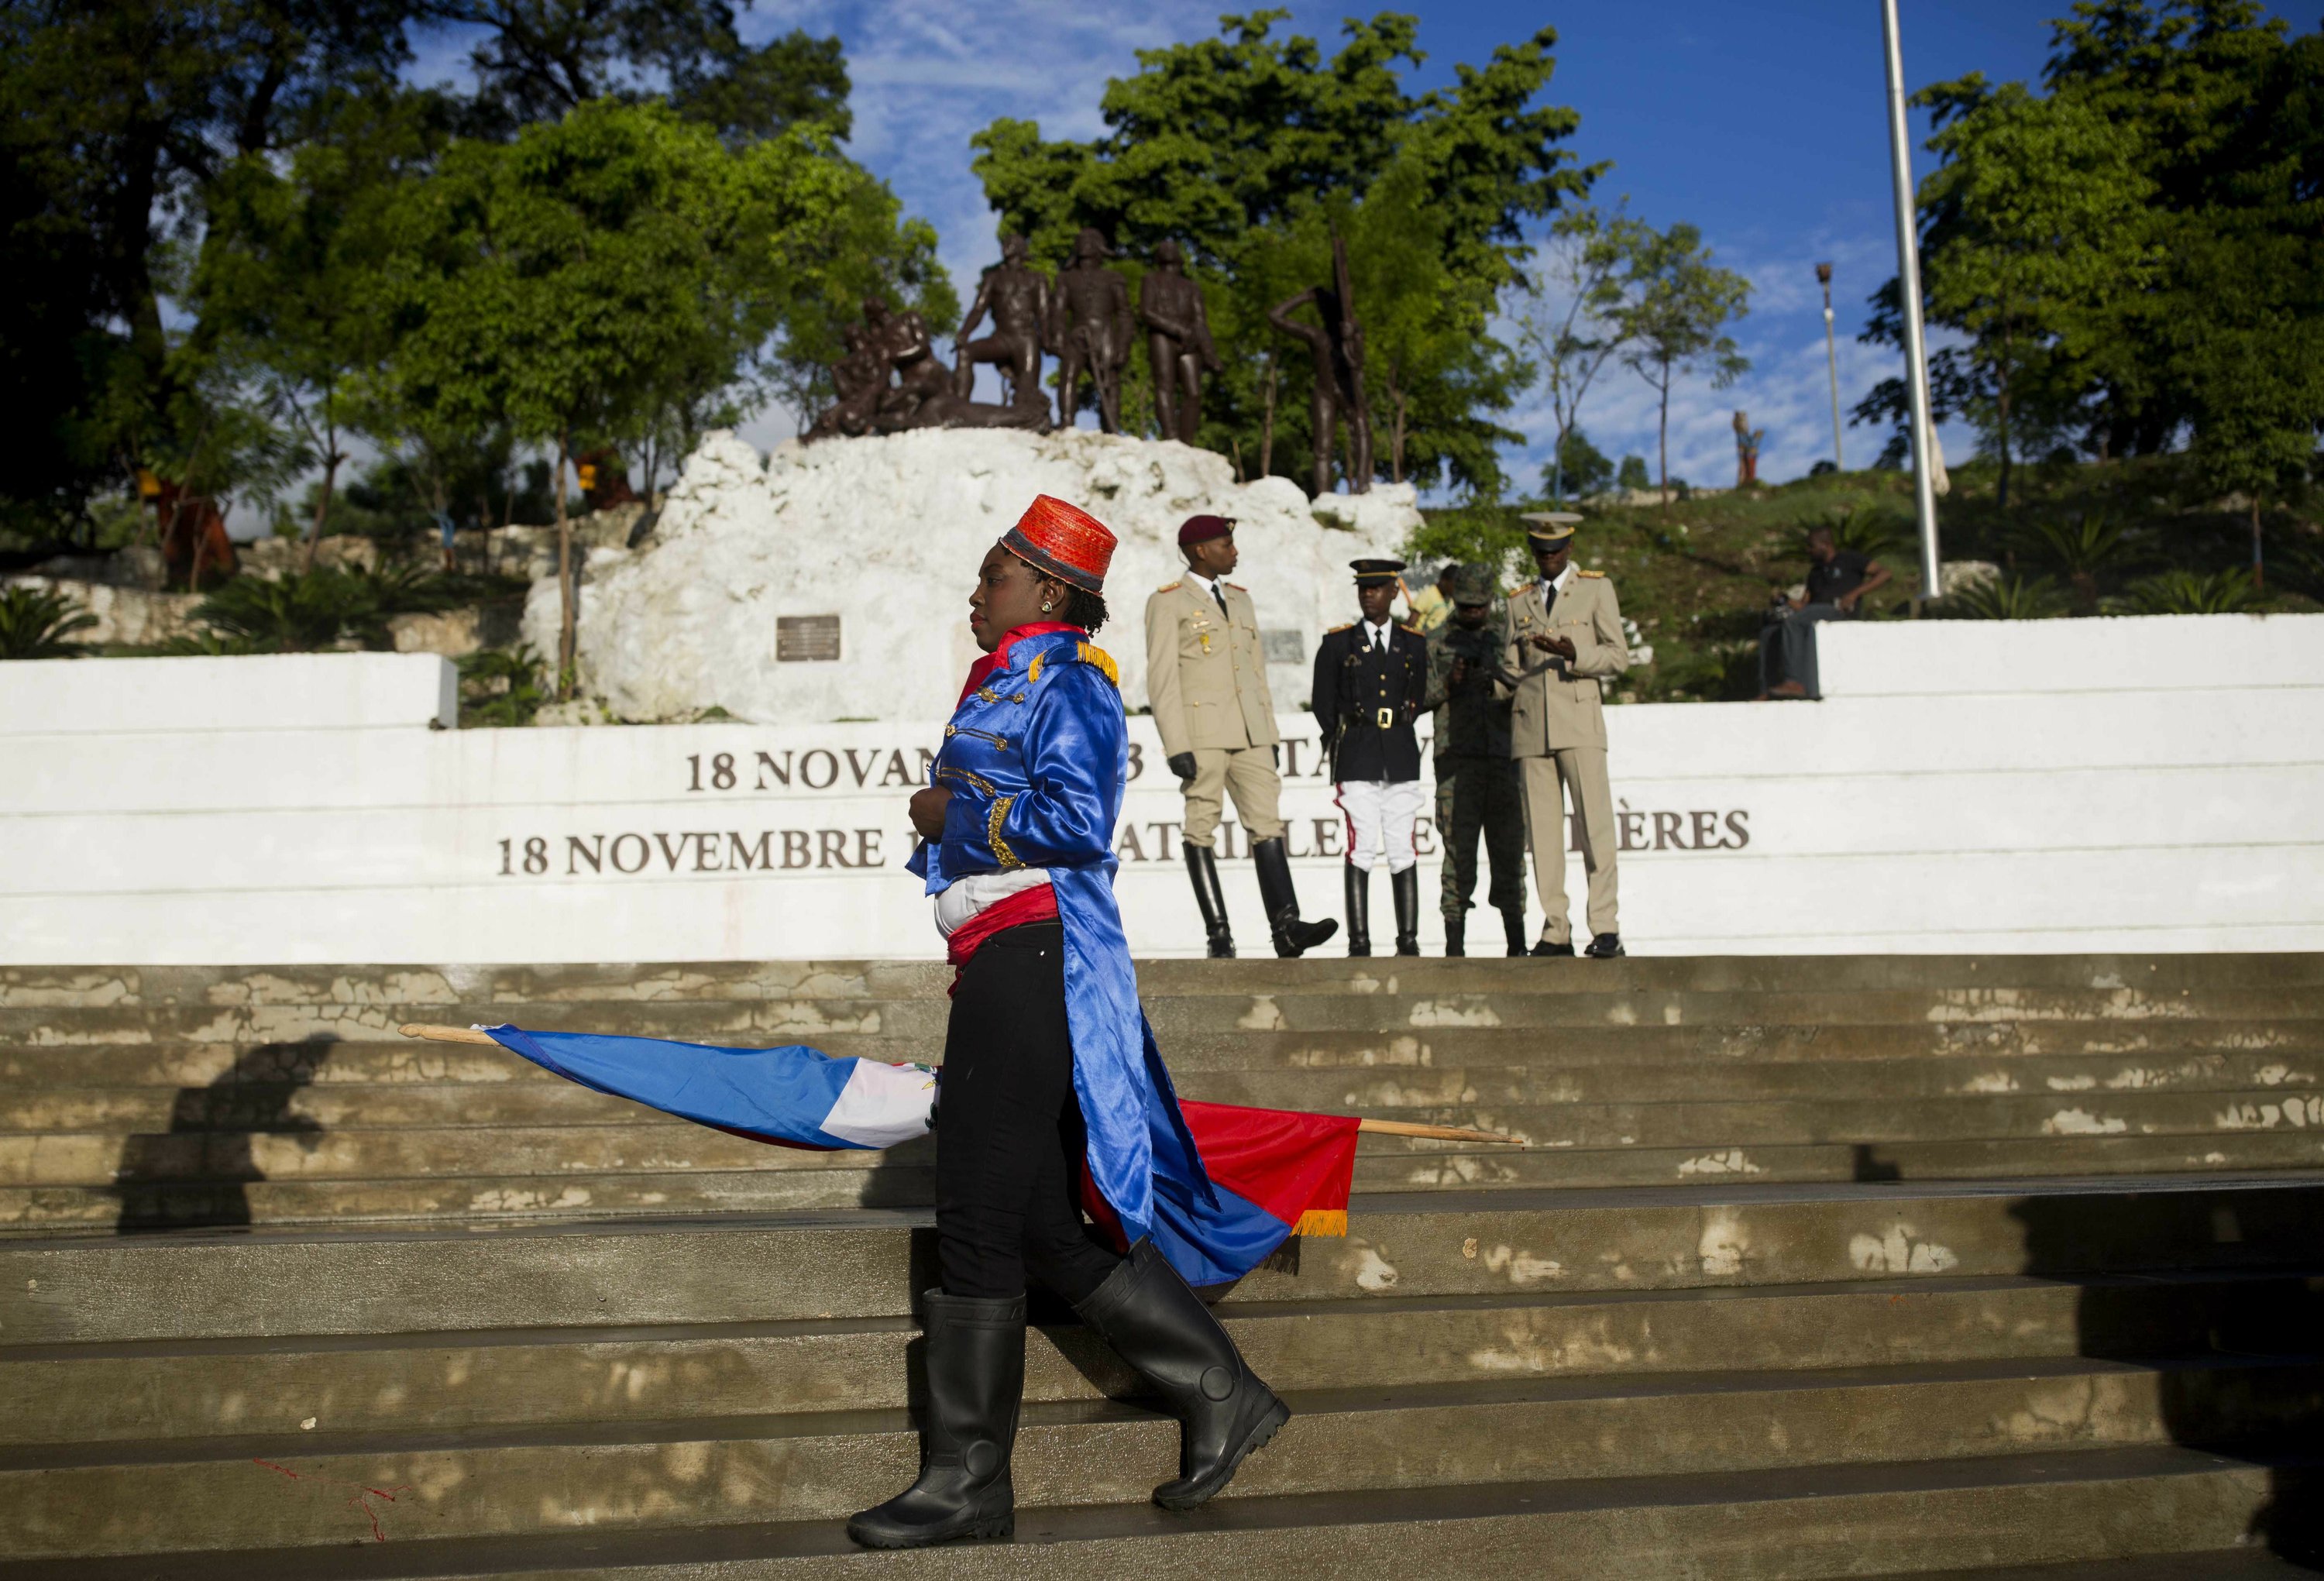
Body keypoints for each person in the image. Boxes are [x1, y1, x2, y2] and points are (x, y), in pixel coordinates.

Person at [850, 496, 1287, 1550]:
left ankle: (966, 1481)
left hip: (1039, 948)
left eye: (994, 575)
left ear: (1048, 589)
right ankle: (1224, 1390)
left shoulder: (1072, 683)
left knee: (977, 1207)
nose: (975, 590)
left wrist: (956, 815)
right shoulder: (1000, 678)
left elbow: (1078, 825)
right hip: (997, 949)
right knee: (1045, 1217)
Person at [1145, 514, 1336, 959]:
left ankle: (1286, 927)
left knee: (1267, 825)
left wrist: (1268, 735)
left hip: (1251, 734)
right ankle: (1219, 935)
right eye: (1226, 545)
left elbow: (1255, 674)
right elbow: (1162, 678)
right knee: (1201, 829)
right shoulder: (1168, 602)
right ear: (1200, 551)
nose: (1235, 552)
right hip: (1202, 733)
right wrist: (1177, 744)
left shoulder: (1241, 601)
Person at [1503, 512, 1630, 958]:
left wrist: (1576, 653)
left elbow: (1618, 656)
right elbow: (1511, 669)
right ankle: (1556, 929)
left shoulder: (1596, 588)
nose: (1549, 558)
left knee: (1595, 827)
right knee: (1543, 836)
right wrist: (1488, 680)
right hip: (1531, 726)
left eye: (1556, 551)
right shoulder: (1518, 601)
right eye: (1541, 552)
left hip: (1579, 721)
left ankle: (1605, 926)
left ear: (1570, 549)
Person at [1312, 559, 1429, 956]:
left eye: (1377, 588)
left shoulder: (1414, 643)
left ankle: (1408, 941)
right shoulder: (1338, 643)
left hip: (1399, 753)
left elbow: (1420, 696)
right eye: (1363, 588)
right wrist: (1344, 737)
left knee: (1402, 847)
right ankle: (1359, 942)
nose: (1368, 595)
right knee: (1361, 844)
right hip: (1358, 755)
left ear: (1394, 592)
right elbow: (1322, 703)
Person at [1423, 565, 1528, 957]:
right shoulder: (1435, 642)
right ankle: (1455, 949)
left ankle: (1517, 945)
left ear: (1489, 602)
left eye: (1478, 607)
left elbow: (1529, 689)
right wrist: (1447, 685)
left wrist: (1500, 681)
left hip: (1504, 761)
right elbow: (1415, 699)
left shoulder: (1508, 639)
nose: (1472, 614)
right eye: (1465, 606)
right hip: (1457, 764)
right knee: (1458, 857)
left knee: (1510, 855)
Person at [1760, 524, 1891, 699]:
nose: (1809, 551)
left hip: (1839, 611)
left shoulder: (1849, 559)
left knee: (1794, 622)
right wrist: (1784, 600)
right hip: (1814, 612)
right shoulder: (1815, 573)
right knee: (1770, 633)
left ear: (1825, 545)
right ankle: (1767, 690)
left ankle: (1795, 682)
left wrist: (1854, 594)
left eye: (1811, 546)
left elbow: (1884, 573)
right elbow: (1803, 607)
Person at [1405, 562, 1457, 634]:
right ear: (1444, 581)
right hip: (1419, 638)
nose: (1456, 589)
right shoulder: (1428, 595)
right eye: (1454, 585)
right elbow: (1411, 622)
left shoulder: (1450, 600)